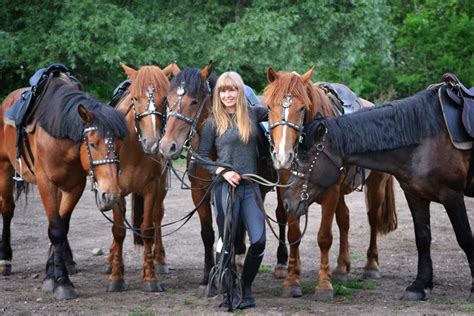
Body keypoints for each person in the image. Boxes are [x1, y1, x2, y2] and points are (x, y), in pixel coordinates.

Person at [196, 71, 267, 310]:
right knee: (226, 241)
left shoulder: (254, 115)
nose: (228, 94)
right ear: (218, 94)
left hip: (250, 187)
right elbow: (201, 157)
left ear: (239, 91)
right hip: (225, 188)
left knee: (258, 240)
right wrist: (223, 171)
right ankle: (230, 291)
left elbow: (282, 110)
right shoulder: (212, 122)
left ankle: (246, 287)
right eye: (223, 91)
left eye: (232, 90)